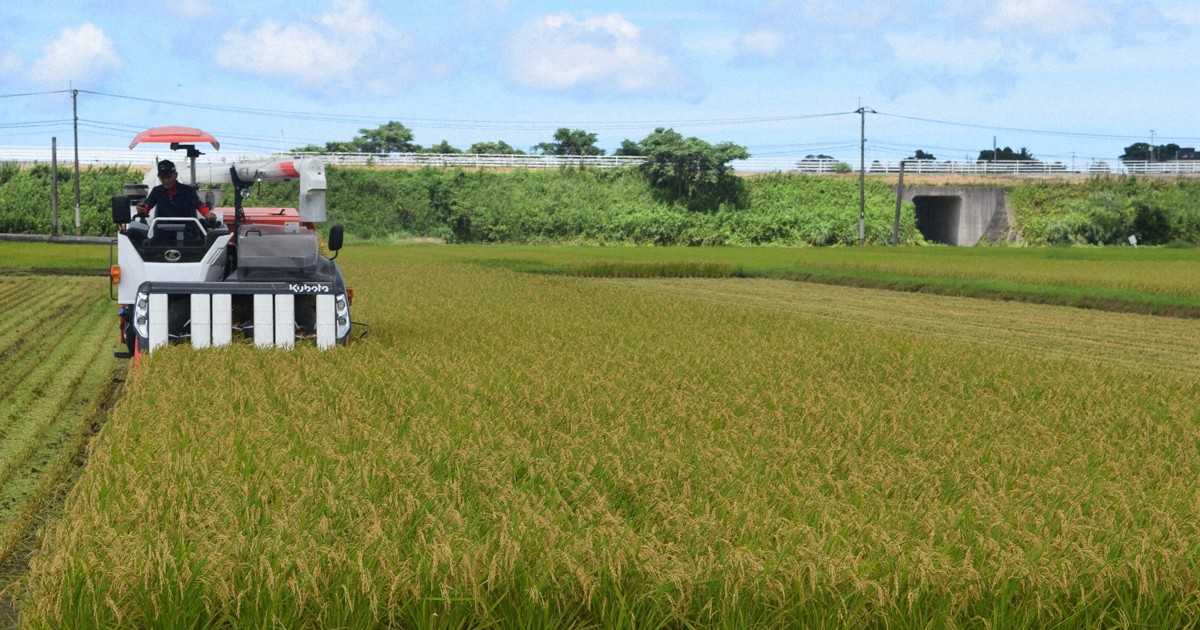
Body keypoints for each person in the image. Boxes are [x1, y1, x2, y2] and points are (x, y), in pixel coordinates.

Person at [137, 159, 214, 226]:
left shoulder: (188, 191)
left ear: (175, 175)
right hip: (162, 234)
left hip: (187, 232)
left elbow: (200, 206)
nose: (166, 181)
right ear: (158, 176)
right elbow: (146, 207)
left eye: (169, 176)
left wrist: (208, 214)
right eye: (163, 177)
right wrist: (142, 210)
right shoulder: (156, 191)